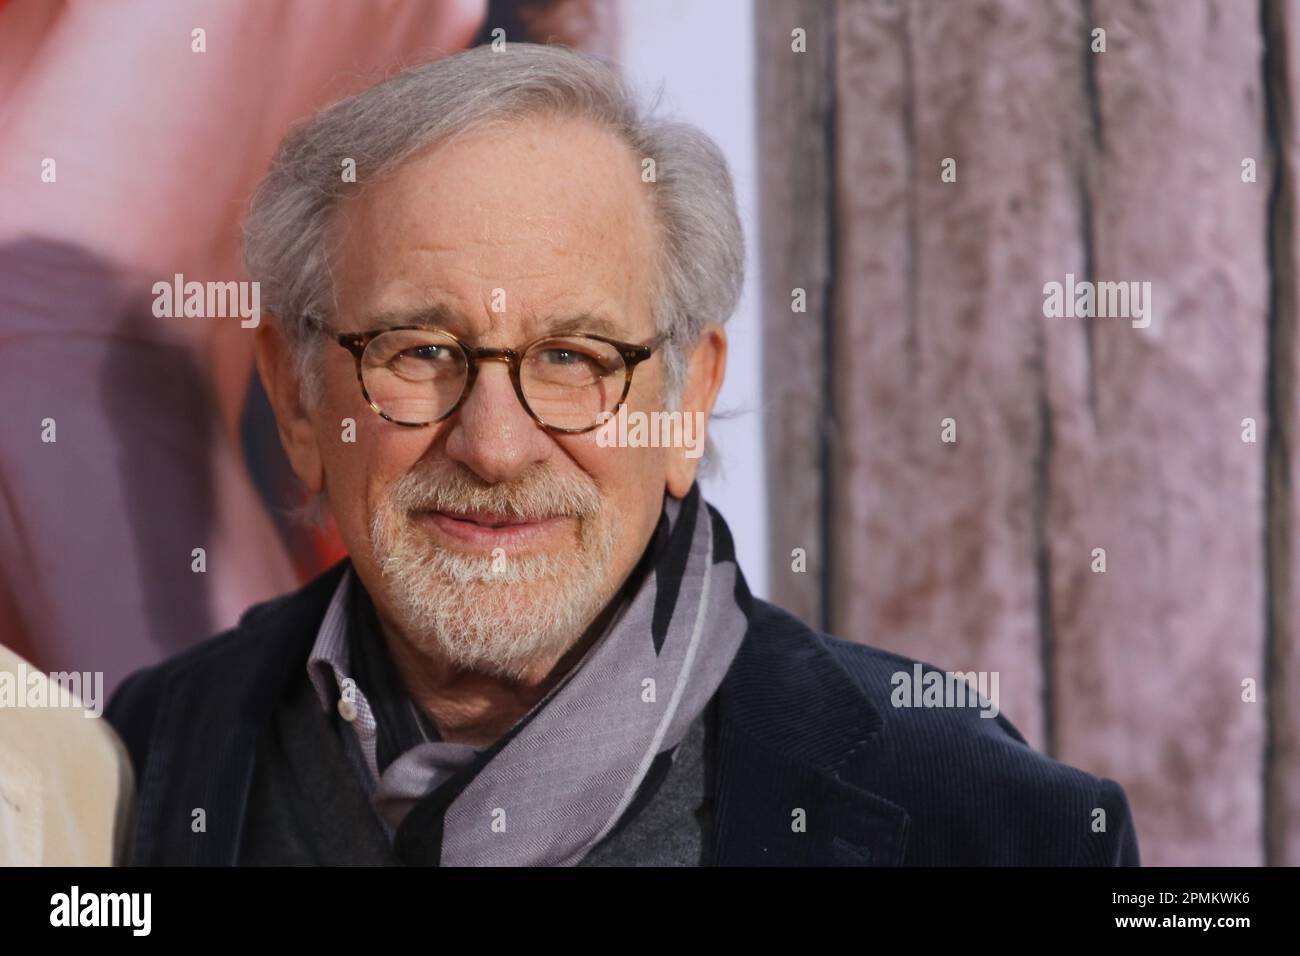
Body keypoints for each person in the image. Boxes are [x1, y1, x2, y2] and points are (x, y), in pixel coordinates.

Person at [106, 42, 1140, 866]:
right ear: (296, 395)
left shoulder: (989, 828)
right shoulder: (145, 761)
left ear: (687, 402)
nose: (497, 446)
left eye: (571, 355)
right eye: (419, 349)